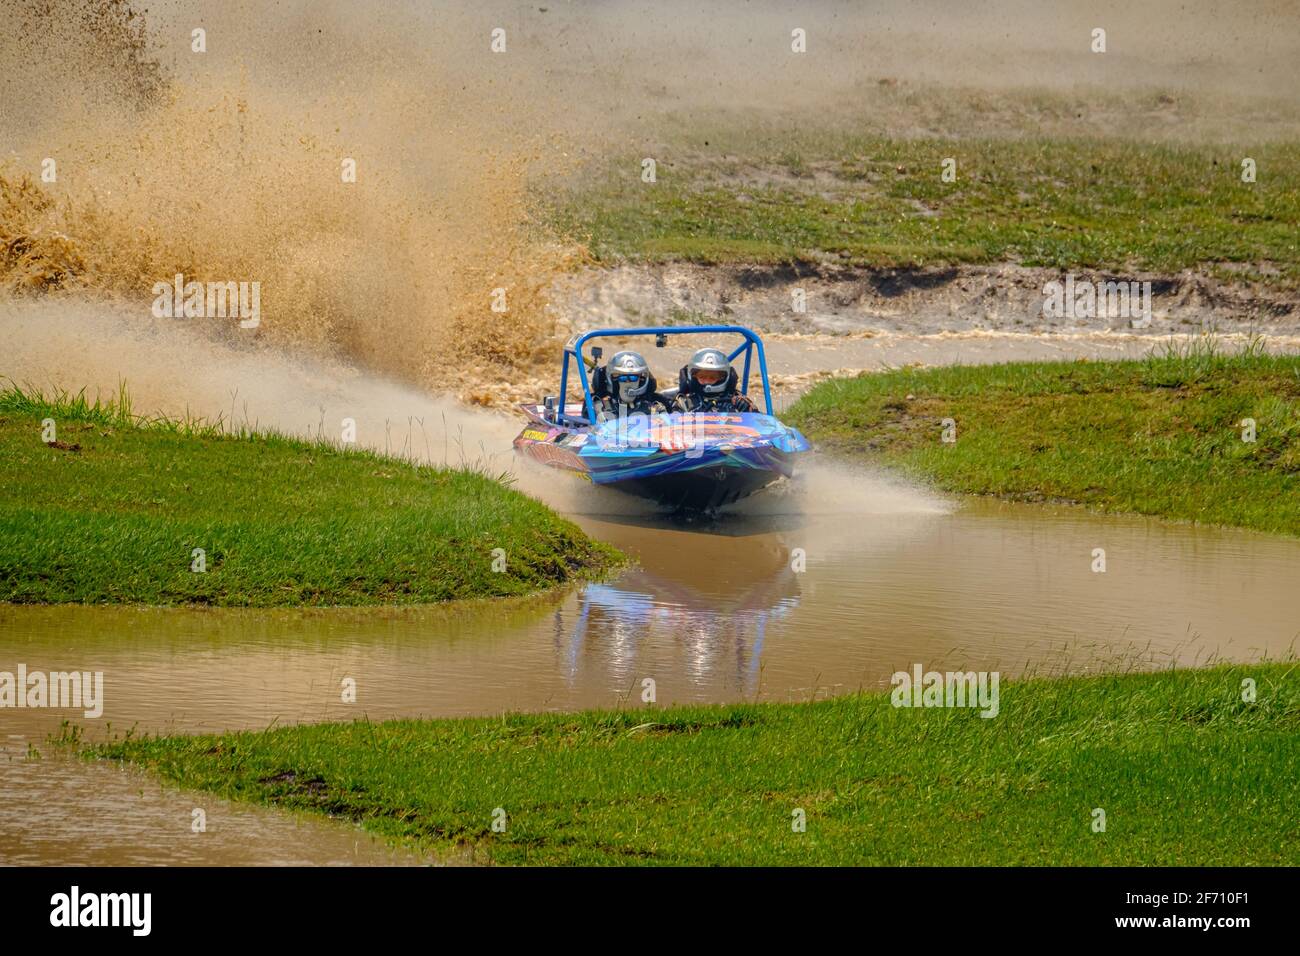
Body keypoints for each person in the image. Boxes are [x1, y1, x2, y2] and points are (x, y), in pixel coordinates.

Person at [672, 347, 759, 413]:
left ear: (723, 378)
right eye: (702, 377)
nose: (706, 381)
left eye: (712, 378)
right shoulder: (684, 402)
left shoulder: (738, 402)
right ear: (693, 377)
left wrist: (748, 410)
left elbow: (759, 424)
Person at [591, 350, 667, 421]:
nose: (628, 382)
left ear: (641, 380)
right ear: (613, 381)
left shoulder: (655, 405)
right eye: (623, 378)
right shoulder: (598, 406)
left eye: (633, 378)